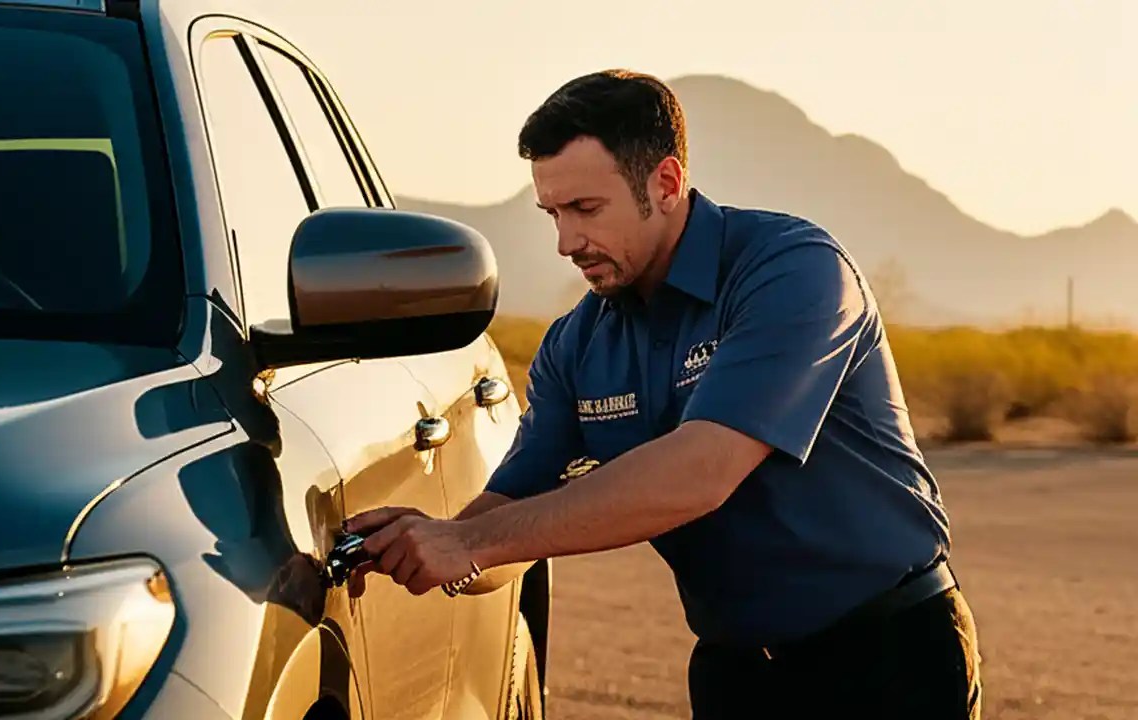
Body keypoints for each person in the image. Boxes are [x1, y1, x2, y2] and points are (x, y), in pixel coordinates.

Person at [345, 69, 982, 719]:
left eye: (586, 210)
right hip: (734, 674)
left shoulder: (791, 269)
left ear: (666, 183)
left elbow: (700, 474)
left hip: (888, 660)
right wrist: (433, 543)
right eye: (553, 214)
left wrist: (470, 543)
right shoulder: (576, 345)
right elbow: (509, 531)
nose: (566, 242)